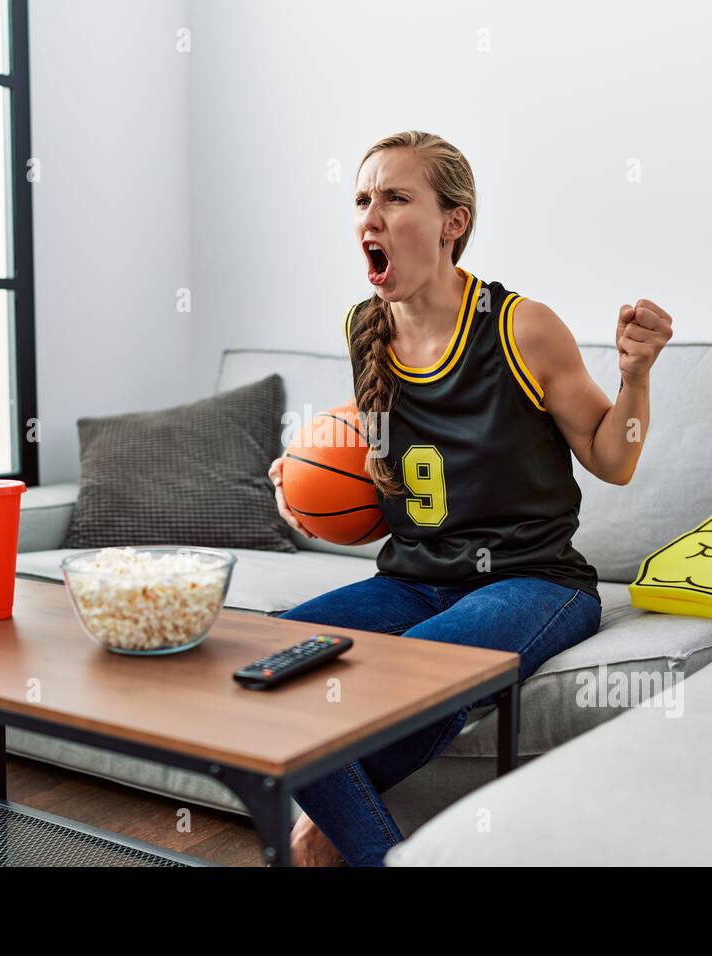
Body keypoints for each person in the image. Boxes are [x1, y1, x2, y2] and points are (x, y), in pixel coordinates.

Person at [267, 130, 673, 866]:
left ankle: (331, 834)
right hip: (412, 580)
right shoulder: (365, 329)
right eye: (362, 199)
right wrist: (304, 488)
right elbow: (384, 489)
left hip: (535, 579)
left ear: (453, 221)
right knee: (268, 661)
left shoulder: (522, 327)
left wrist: (636, 374)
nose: (371, 215)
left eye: (396, 196)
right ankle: (342, 830)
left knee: (405, 676)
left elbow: (613, 460)